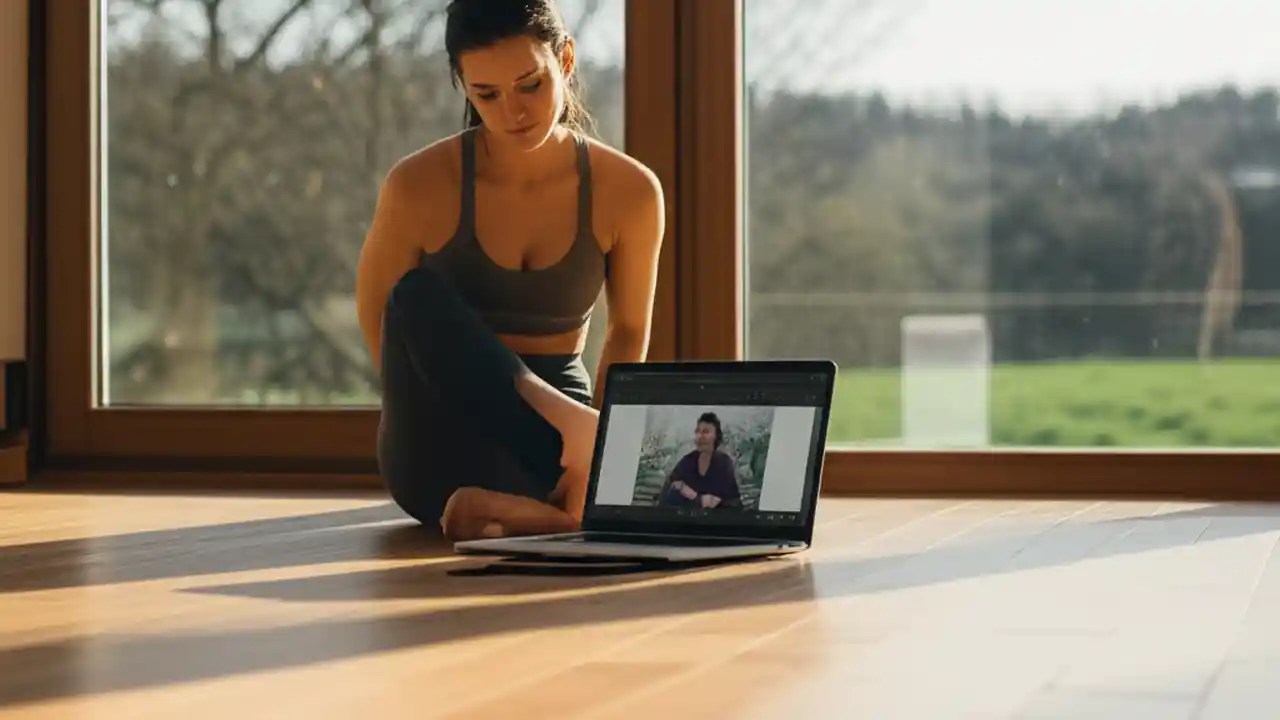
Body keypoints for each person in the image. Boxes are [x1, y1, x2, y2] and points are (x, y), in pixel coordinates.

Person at [355, 0, 664, 541]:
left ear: (565, 60)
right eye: (486, 94)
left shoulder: (629, 192)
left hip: (553, 456)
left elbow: (629, 330)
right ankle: (562, 499)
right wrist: (572, 426)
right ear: (463, 86)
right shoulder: (418, 185)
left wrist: (602, 452)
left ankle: (541, 508)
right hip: (439, 440)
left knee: (583, 443)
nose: (512, 111)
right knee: (411, 298)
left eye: (530, 85)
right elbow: (381, 323)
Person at [659, 413, 744, 510]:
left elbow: (731, 503)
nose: (700, 436)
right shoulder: (687, 461)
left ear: (716, 436)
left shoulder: (723, 463)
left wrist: (694, 497)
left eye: (706, 432)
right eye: (697, 432)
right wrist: (696, 498)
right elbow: (669, 488)